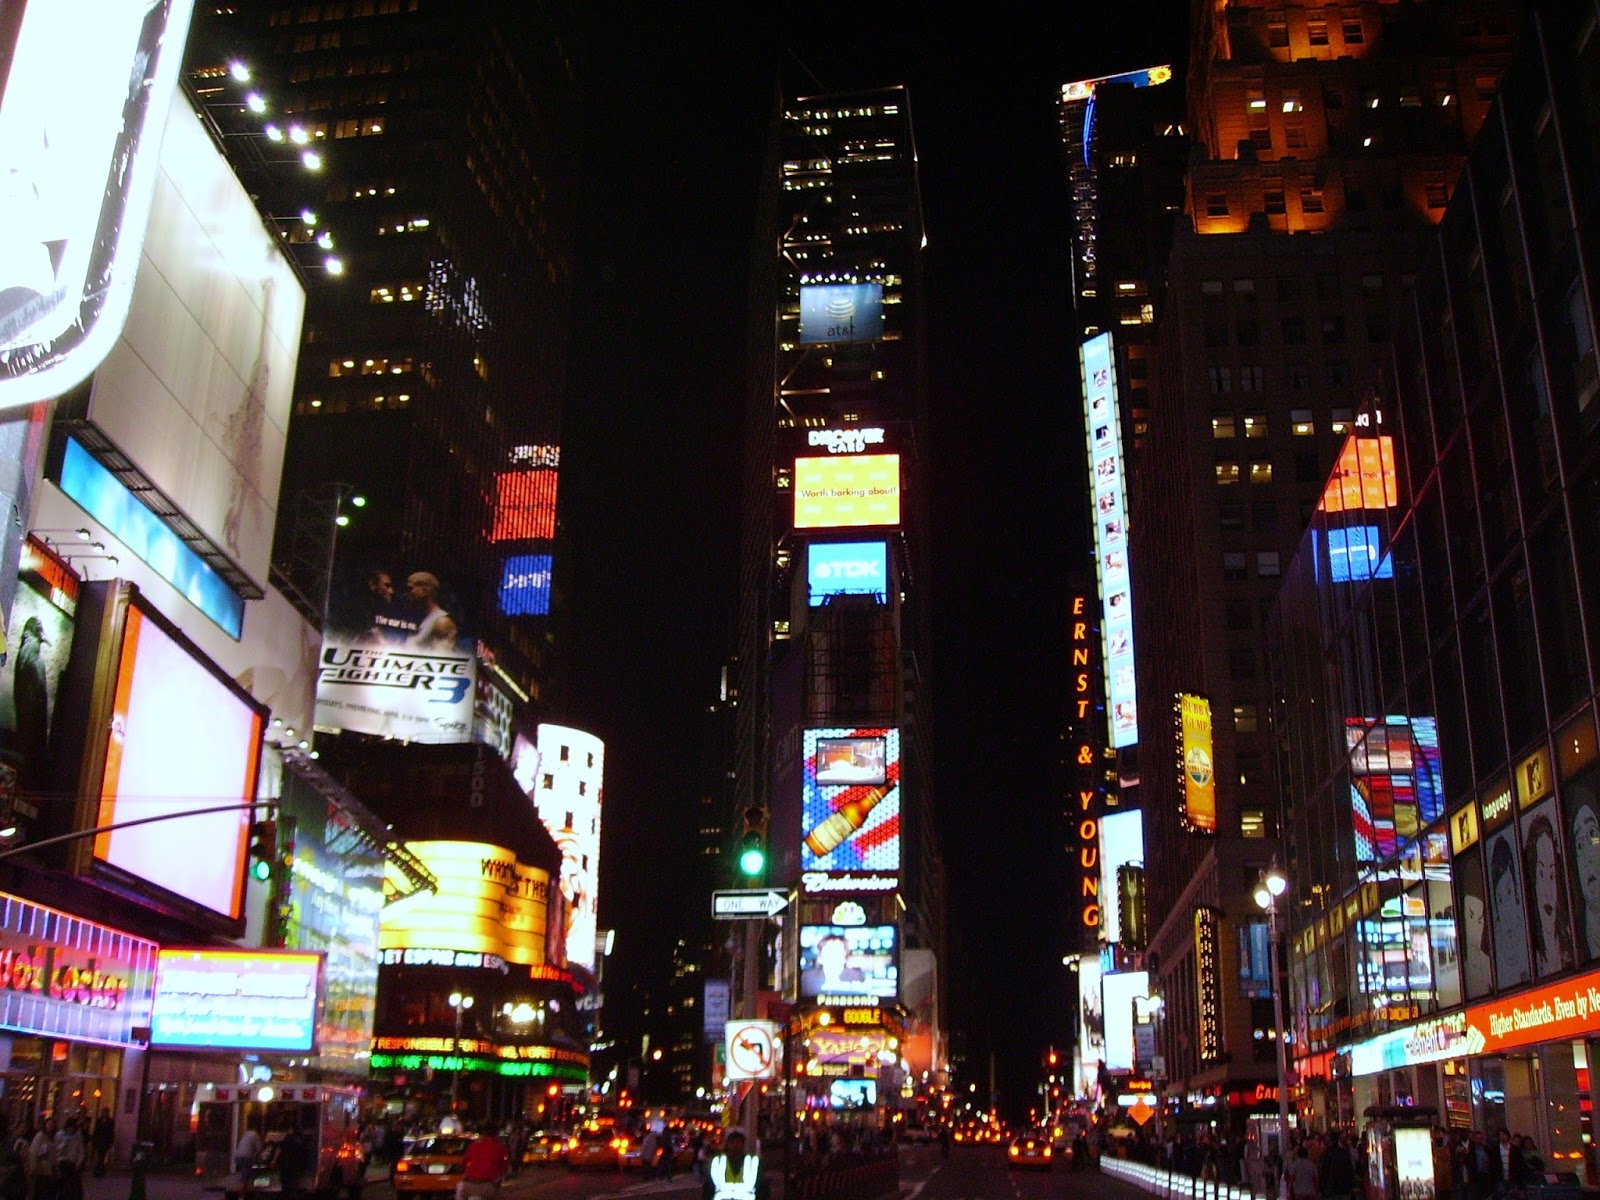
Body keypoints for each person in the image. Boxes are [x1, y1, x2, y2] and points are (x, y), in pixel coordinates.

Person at [1524, 812, 1575, 976]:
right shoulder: (1529, 960)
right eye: (1540, 875)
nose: (1548, 891)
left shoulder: (1572, 945)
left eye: (1552, 876)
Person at [703, 1131, 768, 1200]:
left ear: (743, 1144)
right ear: (727, 1144)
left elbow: (761, 1186)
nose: (735, 1145)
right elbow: (708, 1186)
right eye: (732, 1142)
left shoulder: (753, 1162)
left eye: (738, 1142)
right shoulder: (718, 1162)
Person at [405, 573, 459, 650]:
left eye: (410, 589)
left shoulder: (442, 623)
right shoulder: (422, 620)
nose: (407, 594)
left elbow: (443, 655)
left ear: (424, 591)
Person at [800, 934, 866, 995]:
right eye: (829, 951)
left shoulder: (856, 977)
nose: (833, 955)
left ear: (845, 957)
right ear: (820, 958)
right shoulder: (807, 977)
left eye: (837, 951)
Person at [459, 1128, 509, 1200]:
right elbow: (503, 1166)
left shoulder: (473, 1145)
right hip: (487, 1187)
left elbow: (463, 1162)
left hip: (468, 1186)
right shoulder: (499, 1147)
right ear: (496, 1135)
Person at [277, 1123, 313, 1198]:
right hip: (296, 1165)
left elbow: (280, 1149)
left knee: (286, 1185)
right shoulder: (301, 1140)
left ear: (291, 1130)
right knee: (293, 1184)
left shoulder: (288, 1138)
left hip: (286, 1164)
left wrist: (274, 1161)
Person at [51, 1120, 83, 1200]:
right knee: (62, 1185)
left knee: (72, 1186)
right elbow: (55, 1149)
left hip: (72, 1163)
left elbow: (80, 1151)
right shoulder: (59, 1135)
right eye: (69, 1128)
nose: (71, 1130)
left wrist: (78, 1162)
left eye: (72, 1128)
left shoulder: (77, 1137)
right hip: (61, 1162)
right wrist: (64, 1143)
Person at [1319, 1133, 1356, 1200]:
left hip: (1329, 1189)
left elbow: (1322, 1171)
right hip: (1343, 1188)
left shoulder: (1326, 1154)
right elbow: (1349, 1171)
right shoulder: (1344, 1153)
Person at [27, 1119, 55, 1200]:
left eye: (53, 1124)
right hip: (40, 1169)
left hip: (47, 1169)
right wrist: (33, 1167)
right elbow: (34, 1152)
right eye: (49, 1124)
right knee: (38, 1192)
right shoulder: (40, 1136)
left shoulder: (50, 1137)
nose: (51, 1126)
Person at [88, 1114, 112, 1180]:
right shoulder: (99, 1121)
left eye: (105, 1113)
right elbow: (95, 1131)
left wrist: (110, 1142)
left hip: (105, 1143)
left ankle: (99, 1171)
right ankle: (99, 1170)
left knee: (101, 1157)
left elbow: (110, 1133)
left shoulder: (109, 1122)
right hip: (98, 1142)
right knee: (99, 1157)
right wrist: (93, 1140)